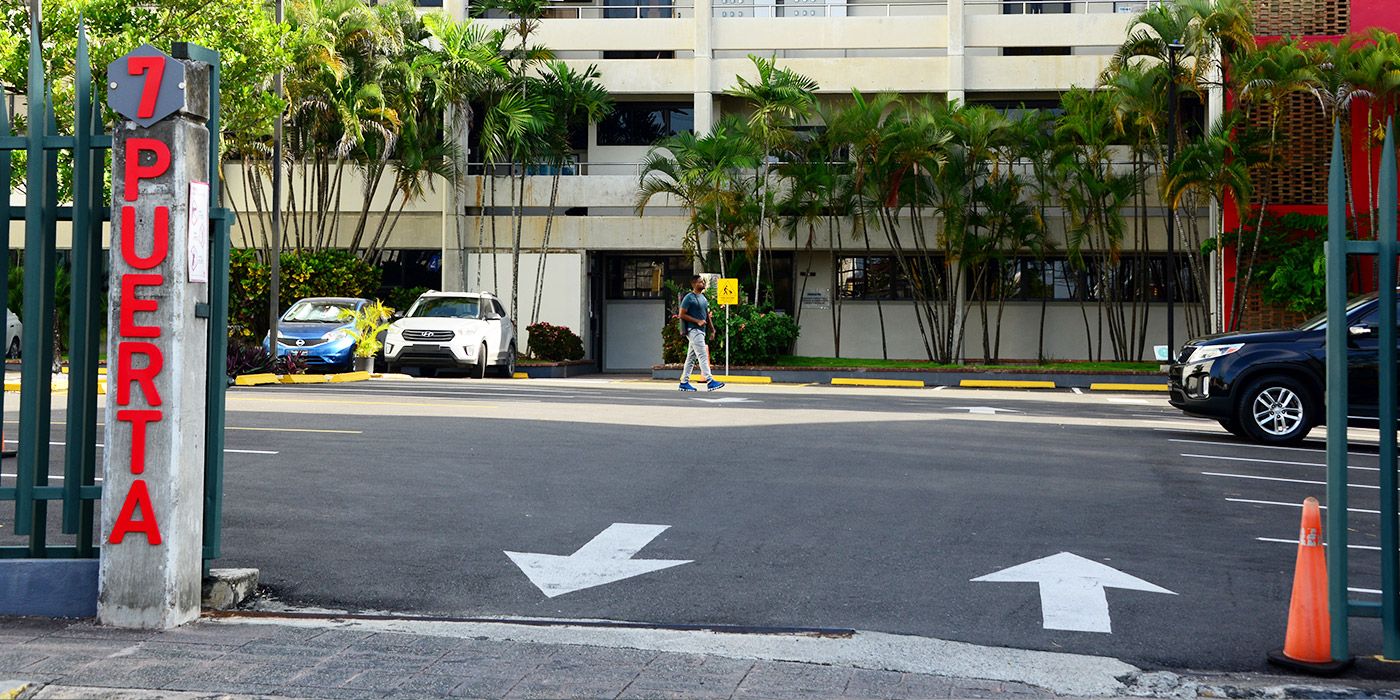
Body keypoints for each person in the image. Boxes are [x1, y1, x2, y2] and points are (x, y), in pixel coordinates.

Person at [677, 275, 724, 392]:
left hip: (701, 331)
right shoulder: (689, 298)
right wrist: (697, 321)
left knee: (691, 358)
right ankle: (710, 381)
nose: (703, 283)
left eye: (703, 282)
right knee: (702, 355)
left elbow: (707, 315)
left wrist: (712, 329)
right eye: (700, 282)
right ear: (694, 284)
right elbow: (681, 314)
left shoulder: (703, 298)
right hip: (693, 330)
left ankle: (684, 382)